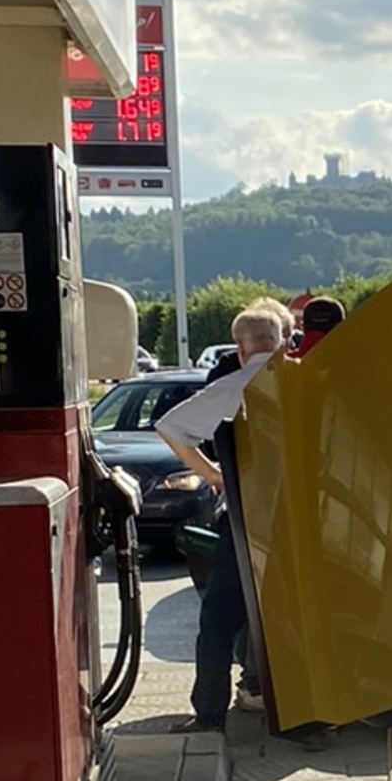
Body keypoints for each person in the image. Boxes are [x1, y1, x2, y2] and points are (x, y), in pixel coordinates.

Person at [155, 299, 290, 730]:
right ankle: (310, 707)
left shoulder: (234, 386)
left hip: (247, 516)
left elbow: (171, 427)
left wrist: (213, 475)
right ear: (283, 340)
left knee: (220, 617)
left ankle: (209, 713)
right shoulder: (309, 380)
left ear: (240, 347)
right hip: (305, 519)